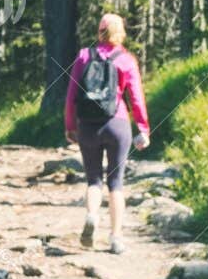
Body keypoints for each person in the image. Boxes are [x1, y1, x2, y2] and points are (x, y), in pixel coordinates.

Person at [63, 13, 150, 254]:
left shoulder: (83, 56)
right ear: (120, 31)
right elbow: (136, 98)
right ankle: (116, 238)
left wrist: (71, 126)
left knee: (93, 180)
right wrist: (143, 128)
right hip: (117, 123)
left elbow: (71, 97)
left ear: (99, 32)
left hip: (88, 125)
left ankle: (92, 215)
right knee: (116, 183)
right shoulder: (126, 60)